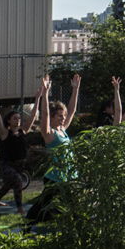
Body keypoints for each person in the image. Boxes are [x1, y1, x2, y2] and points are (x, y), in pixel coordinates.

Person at [27, 73, 80, 223]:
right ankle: (29, 223)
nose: (63, 118)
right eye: (59, 116)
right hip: (55, 177)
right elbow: (44, 114)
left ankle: (73, 223)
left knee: (60, 203)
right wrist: (44, 94)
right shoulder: (49, 133)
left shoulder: (63, 129)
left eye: (63, 116)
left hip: (68, 174)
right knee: (47, 203)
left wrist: (75, 90)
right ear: (52, 117)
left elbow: (72, 110)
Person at [0, 84, 42, 213]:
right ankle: (20, 208)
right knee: (17, 181)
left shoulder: (23, 131)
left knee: (9, 185)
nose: (17, 120)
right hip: (6, 165)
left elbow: (33, 115)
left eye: (19, 118)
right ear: (9, 121)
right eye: (14, 118)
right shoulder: (4, 133)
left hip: (20, 165)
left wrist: (38, 98)